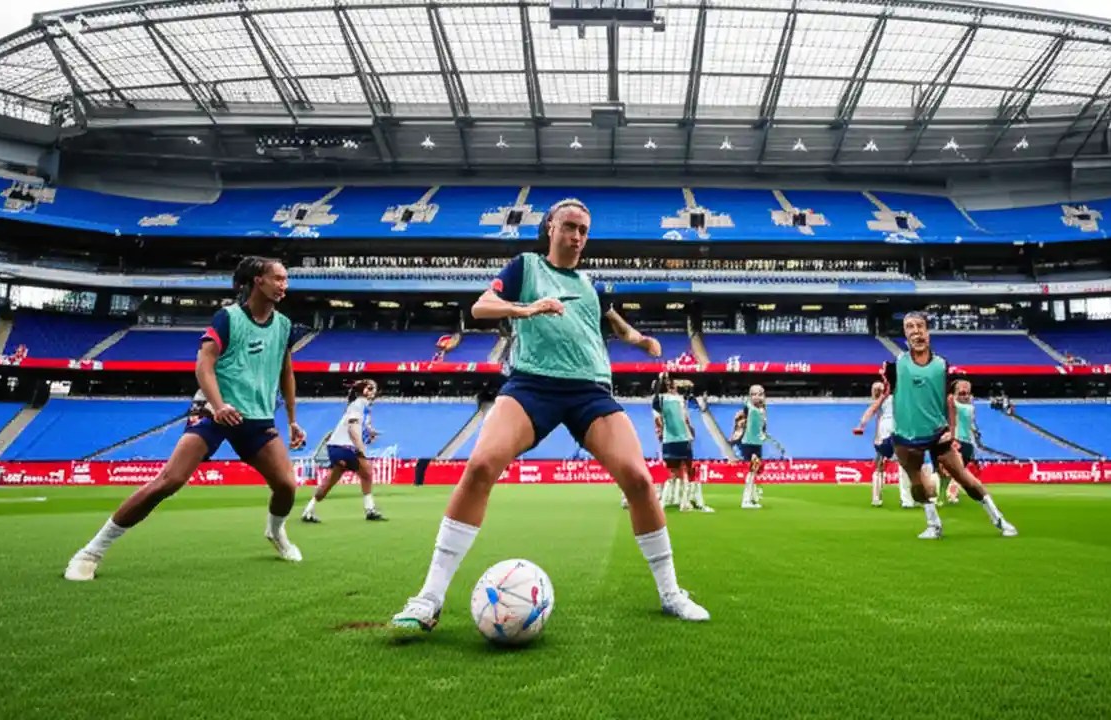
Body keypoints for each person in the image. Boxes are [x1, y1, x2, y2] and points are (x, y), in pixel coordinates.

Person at [390, 198, 709, 633]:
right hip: (531, 384)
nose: (576, 237)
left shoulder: (592, 286)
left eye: (583, 231)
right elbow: (481, 308)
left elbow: (617, 324)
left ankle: (672, 593)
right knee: (481, 465)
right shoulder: (525, 268)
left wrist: (642, 341)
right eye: (569, 227)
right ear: (550, 228)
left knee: (638, 477)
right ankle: (429, 597)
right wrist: (527, 308)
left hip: (590, 390)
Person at [64, 257, 307, 581]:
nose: (284, 285)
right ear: (257, 280)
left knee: (287, 485)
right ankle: (90, 552)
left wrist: (292, 419)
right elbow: (204, 365)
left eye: (286, 280)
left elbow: (285, 371)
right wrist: (218, 405)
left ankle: (276, 533)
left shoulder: (284, 325)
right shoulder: (228, 318)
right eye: (277, 278)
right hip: (214, 411)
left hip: (258, 417)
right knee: (170, 480)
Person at [881, 312, 1017, 539]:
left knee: (964, 477)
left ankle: (999, 518)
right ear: (905, 333)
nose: (915, 331)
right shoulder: (895, 367)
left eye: (920, 326)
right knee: (917, 485)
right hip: (905, 436)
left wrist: (950, 431)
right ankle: (933, 524)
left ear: (928, 332)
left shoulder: (942, 366)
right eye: (910, 327)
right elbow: (886, 395)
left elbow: (949, 401)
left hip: (937, 433)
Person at [301, 379, 386, 523]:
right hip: (346, 447)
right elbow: (353, 428)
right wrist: (360, 447)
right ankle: (370, 509)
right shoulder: (359, 404)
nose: (374, 392)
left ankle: (308, 510)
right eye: (372, 389)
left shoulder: (359, 406)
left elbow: (357, 425)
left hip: (335, 447)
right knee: (367, 473)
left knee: (331, 480)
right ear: (364, 391)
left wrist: (369, 432)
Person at [653, 372, 712, 513]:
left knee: (673, 474)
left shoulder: (659, 401)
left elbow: (658, 416)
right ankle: (685, 503)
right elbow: (689, 386)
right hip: (683, 439)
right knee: (688, 472)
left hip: (669, 441)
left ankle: (664, 503)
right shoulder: (679, 399)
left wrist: (662, 379)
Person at [854, 381, 905, 508]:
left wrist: (861, 425)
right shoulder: (893, 399)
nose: (875, 392)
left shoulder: (884, 400)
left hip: (889, 431)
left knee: (881, 464)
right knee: (903, 464)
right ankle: (906, 498)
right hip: (895, 431)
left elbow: (870, 413)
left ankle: (877, 498)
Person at [732, 385, 767, 509]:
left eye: (759, 394)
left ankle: (751, 498)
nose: (756, 397)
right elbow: (740, 421)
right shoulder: (748, 407)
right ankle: (745, 500)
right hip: (749, 443)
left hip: (757, 443)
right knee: (751, 472)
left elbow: (762, 427)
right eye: (753, 394)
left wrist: (763, 434)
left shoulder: (763, 409)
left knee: (754, 471)